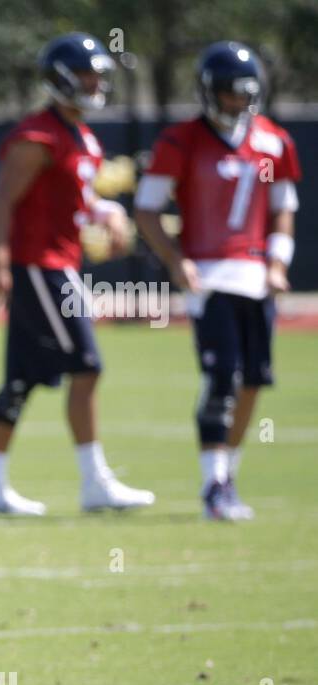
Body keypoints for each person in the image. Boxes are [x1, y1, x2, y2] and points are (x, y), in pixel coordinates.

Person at [0, 33, 154, 515]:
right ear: (63, 79)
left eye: (100, 74)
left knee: (20, 381)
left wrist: (106, 211)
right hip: (42, 268)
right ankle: (96, 483)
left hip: (56, 263)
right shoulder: (38, 136)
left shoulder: (81, 136)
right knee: (88, 367)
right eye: (88, 74)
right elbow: (0, 198)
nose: (97, 83)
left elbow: (71, 198)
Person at [133, 42, 300, 521]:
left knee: (252, 382)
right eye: (229, 94)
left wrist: (278, 263)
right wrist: (174, 258)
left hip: (256, 276)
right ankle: (213, 483)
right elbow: (146, 209)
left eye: (245, 93)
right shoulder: (181, 142)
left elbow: (282, 207)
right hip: (208, 274)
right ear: (210, 93)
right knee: (221, 377)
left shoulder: (271, 142)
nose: (237, 103)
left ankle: (228, 478)